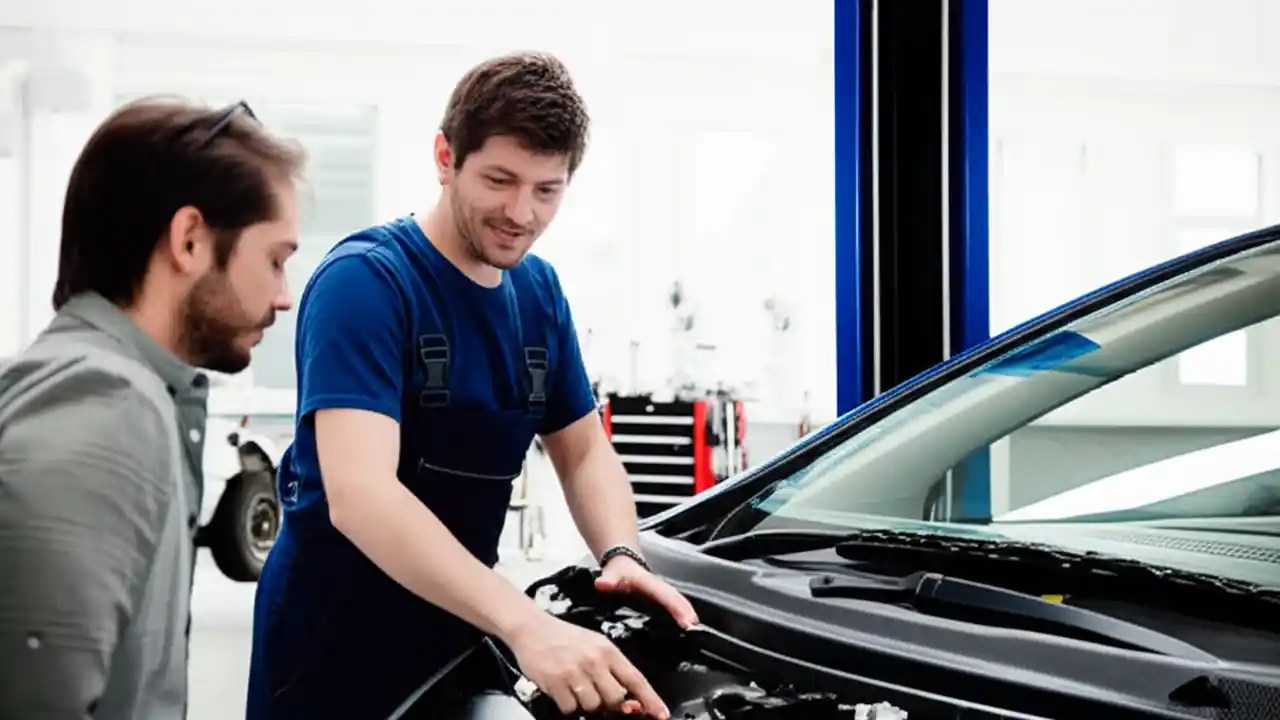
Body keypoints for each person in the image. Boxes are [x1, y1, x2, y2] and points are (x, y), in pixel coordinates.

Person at [246, 51, 698, 720]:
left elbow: (582, 449)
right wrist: (526, 625)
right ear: (444, 157)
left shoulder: (539, 292)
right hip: (332, 650)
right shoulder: (366, 283)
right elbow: (361, 496)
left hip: (455, 631)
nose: (523, 212)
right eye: (500, 180)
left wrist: (621, 552)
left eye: (548, 189)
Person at [0, 96, 305, 719]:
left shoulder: (106, 388)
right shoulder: (107, 408)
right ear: (190, 240)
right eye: (274, 260)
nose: (284, 297)